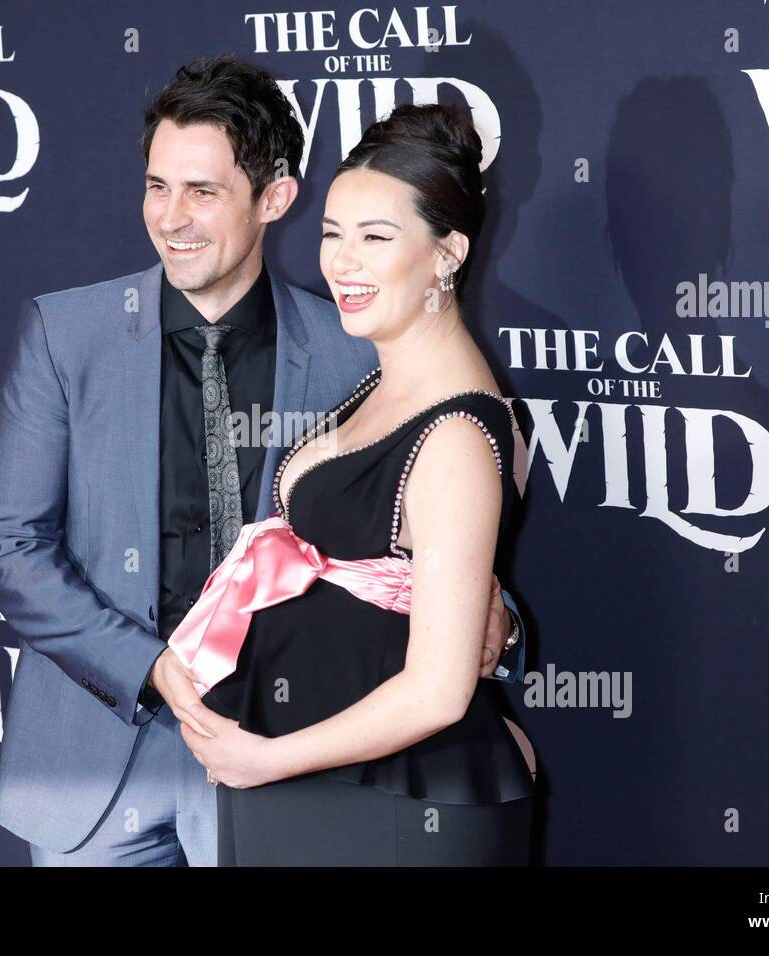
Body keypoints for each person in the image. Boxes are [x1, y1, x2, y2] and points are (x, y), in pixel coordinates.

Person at [0, 56, 527, 867]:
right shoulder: (67, 335)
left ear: (275, 198)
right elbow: (11, 544)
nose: (172, 218)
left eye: (203, 192)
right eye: (158, 187)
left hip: (288, 749)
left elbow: (420, 499)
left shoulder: (356, 342)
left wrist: (492, 610)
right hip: (98, 750)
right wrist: (152, 668)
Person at [173, 102, 536, 865]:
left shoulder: (457, 438)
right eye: (334, 234)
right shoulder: (379, 383)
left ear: (447, 254)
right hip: (304, 786)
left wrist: (266, 761)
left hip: (388, 807)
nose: (343, 262)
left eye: (377, 238)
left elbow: (439, 690)